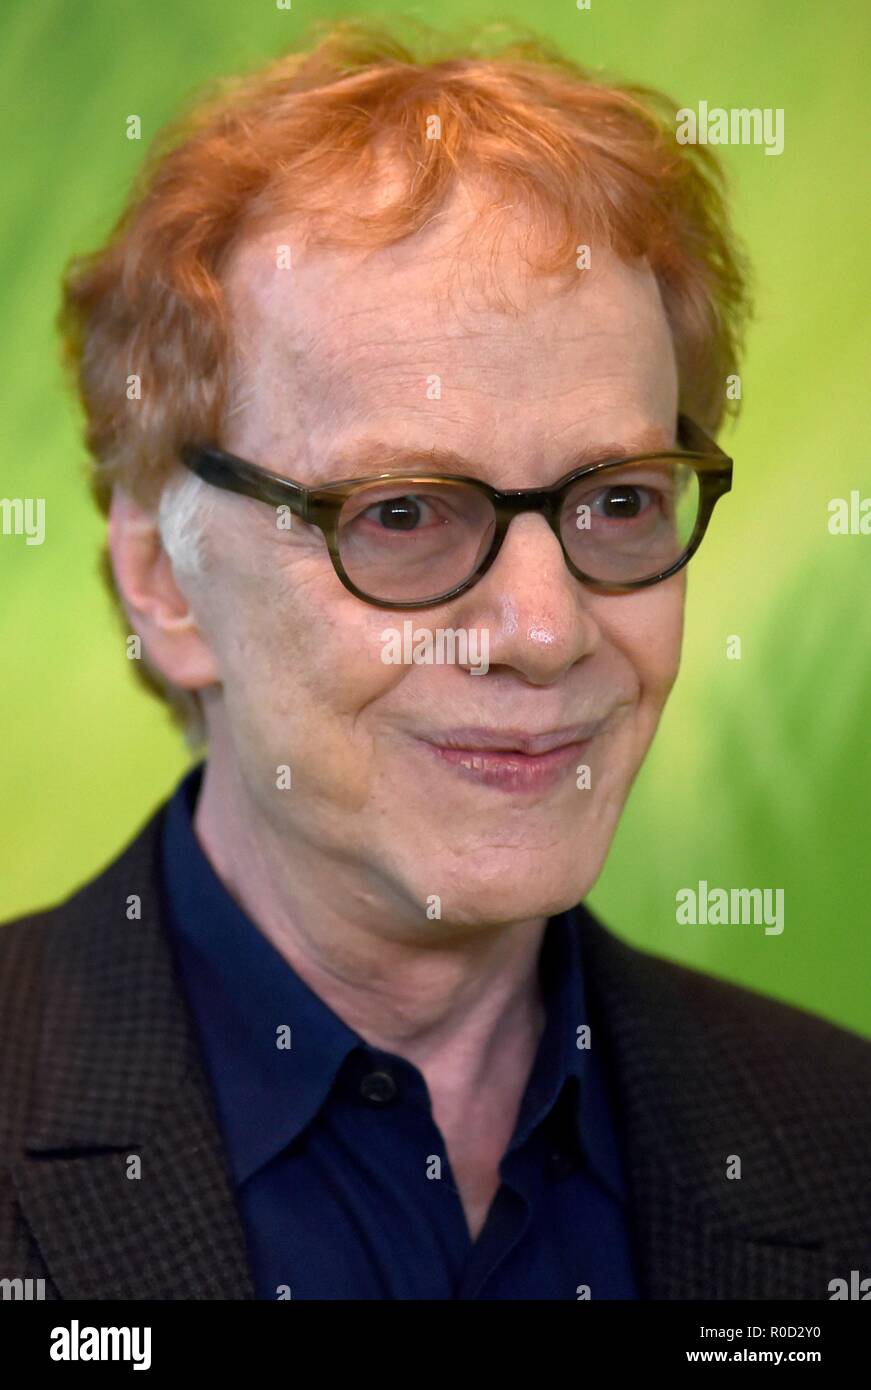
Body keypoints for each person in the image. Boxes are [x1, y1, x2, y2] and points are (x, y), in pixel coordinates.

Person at [2, 20, 869, 1301]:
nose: (541, 630)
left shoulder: (836, 1140)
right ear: (164, 580)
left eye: (617, 500)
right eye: (401, 514)